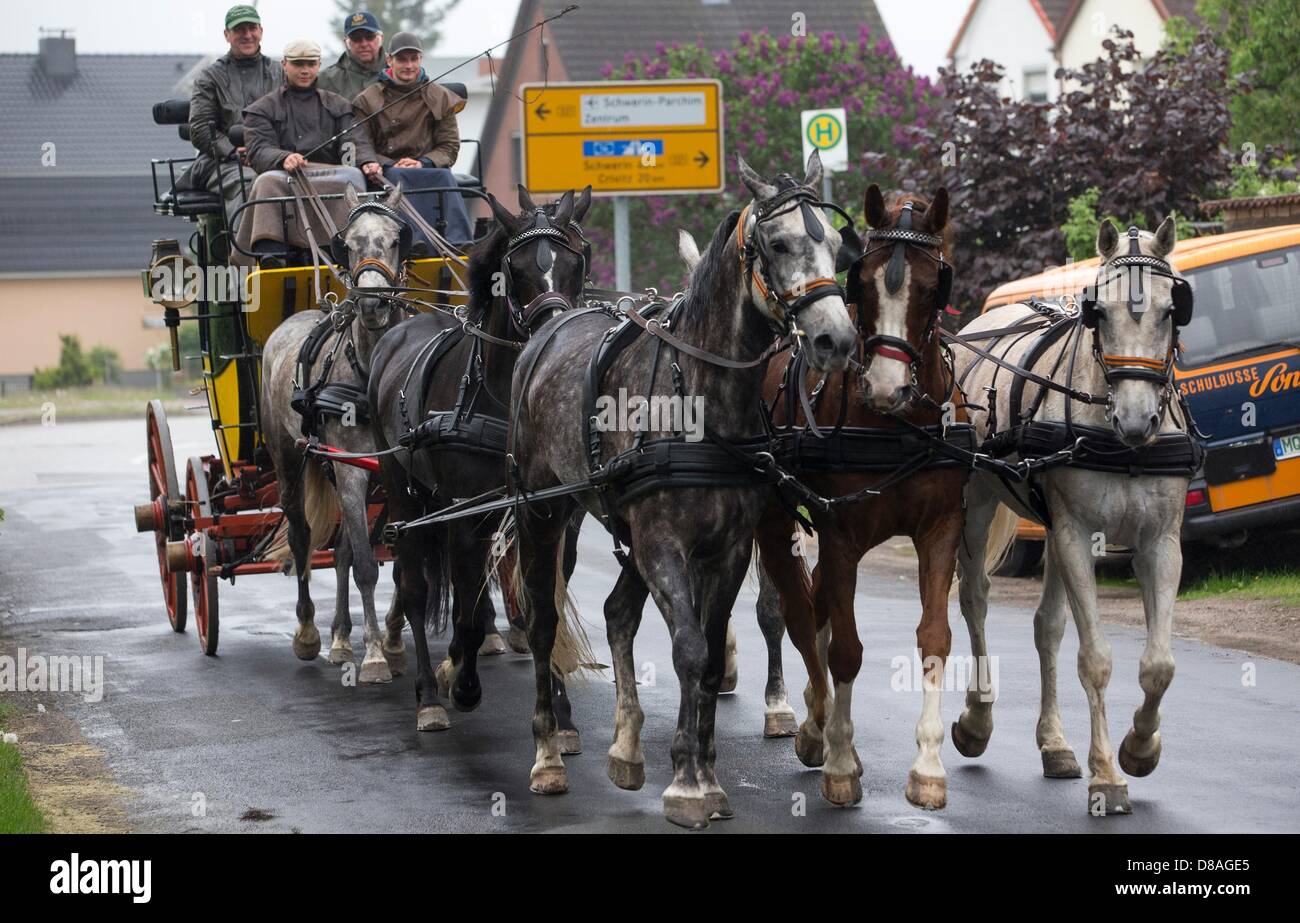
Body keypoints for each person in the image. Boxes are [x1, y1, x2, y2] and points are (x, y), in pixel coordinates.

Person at [237, 39, 381, 267]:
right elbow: (258, 149)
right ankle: (270, 255)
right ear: (284, 64)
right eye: (298, 64)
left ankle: (344, 251)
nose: (304, 70)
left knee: (353, 177)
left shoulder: (339, 105)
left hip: (332, 175)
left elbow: (353, 140)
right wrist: (283, 157)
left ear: (319, 65)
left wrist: (367, 162)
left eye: (311, 63)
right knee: (264, 182)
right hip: (283, 176)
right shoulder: (262, 109)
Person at [353, 31, 474, 246]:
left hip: (428, 167)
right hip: (388, 169)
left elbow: (449, 145)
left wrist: (422, 162)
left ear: (420, 59)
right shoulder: (367, 99)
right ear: (390, 60)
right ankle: (415, 241)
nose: (408, 65)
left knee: (446, 178)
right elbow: (362, 143)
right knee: (401, 176)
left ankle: (461, 242)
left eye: (413, 59)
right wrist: (385, 163)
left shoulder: (440, 96)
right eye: (402, 59)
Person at [186, 4, 281, 212]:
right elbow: (199, 128)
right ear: (227, 35)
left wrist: (272, 153)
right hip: (221, 162)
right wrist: (231, 151)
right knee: (254, 183)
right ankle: (243, 244)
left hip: (274, 158)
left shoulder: (280, 72)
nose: (247, 35)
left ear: (261, 32)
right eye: (239, 30)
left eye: (252, 28)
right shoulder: (209, 77)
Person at [318, 10, 384, 102]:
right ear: (346, 43)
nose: (364, 44)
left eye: (369, 36)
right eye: (356, 38)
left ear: (381, 38)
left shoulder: (397, 72)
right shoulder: (325, 80)